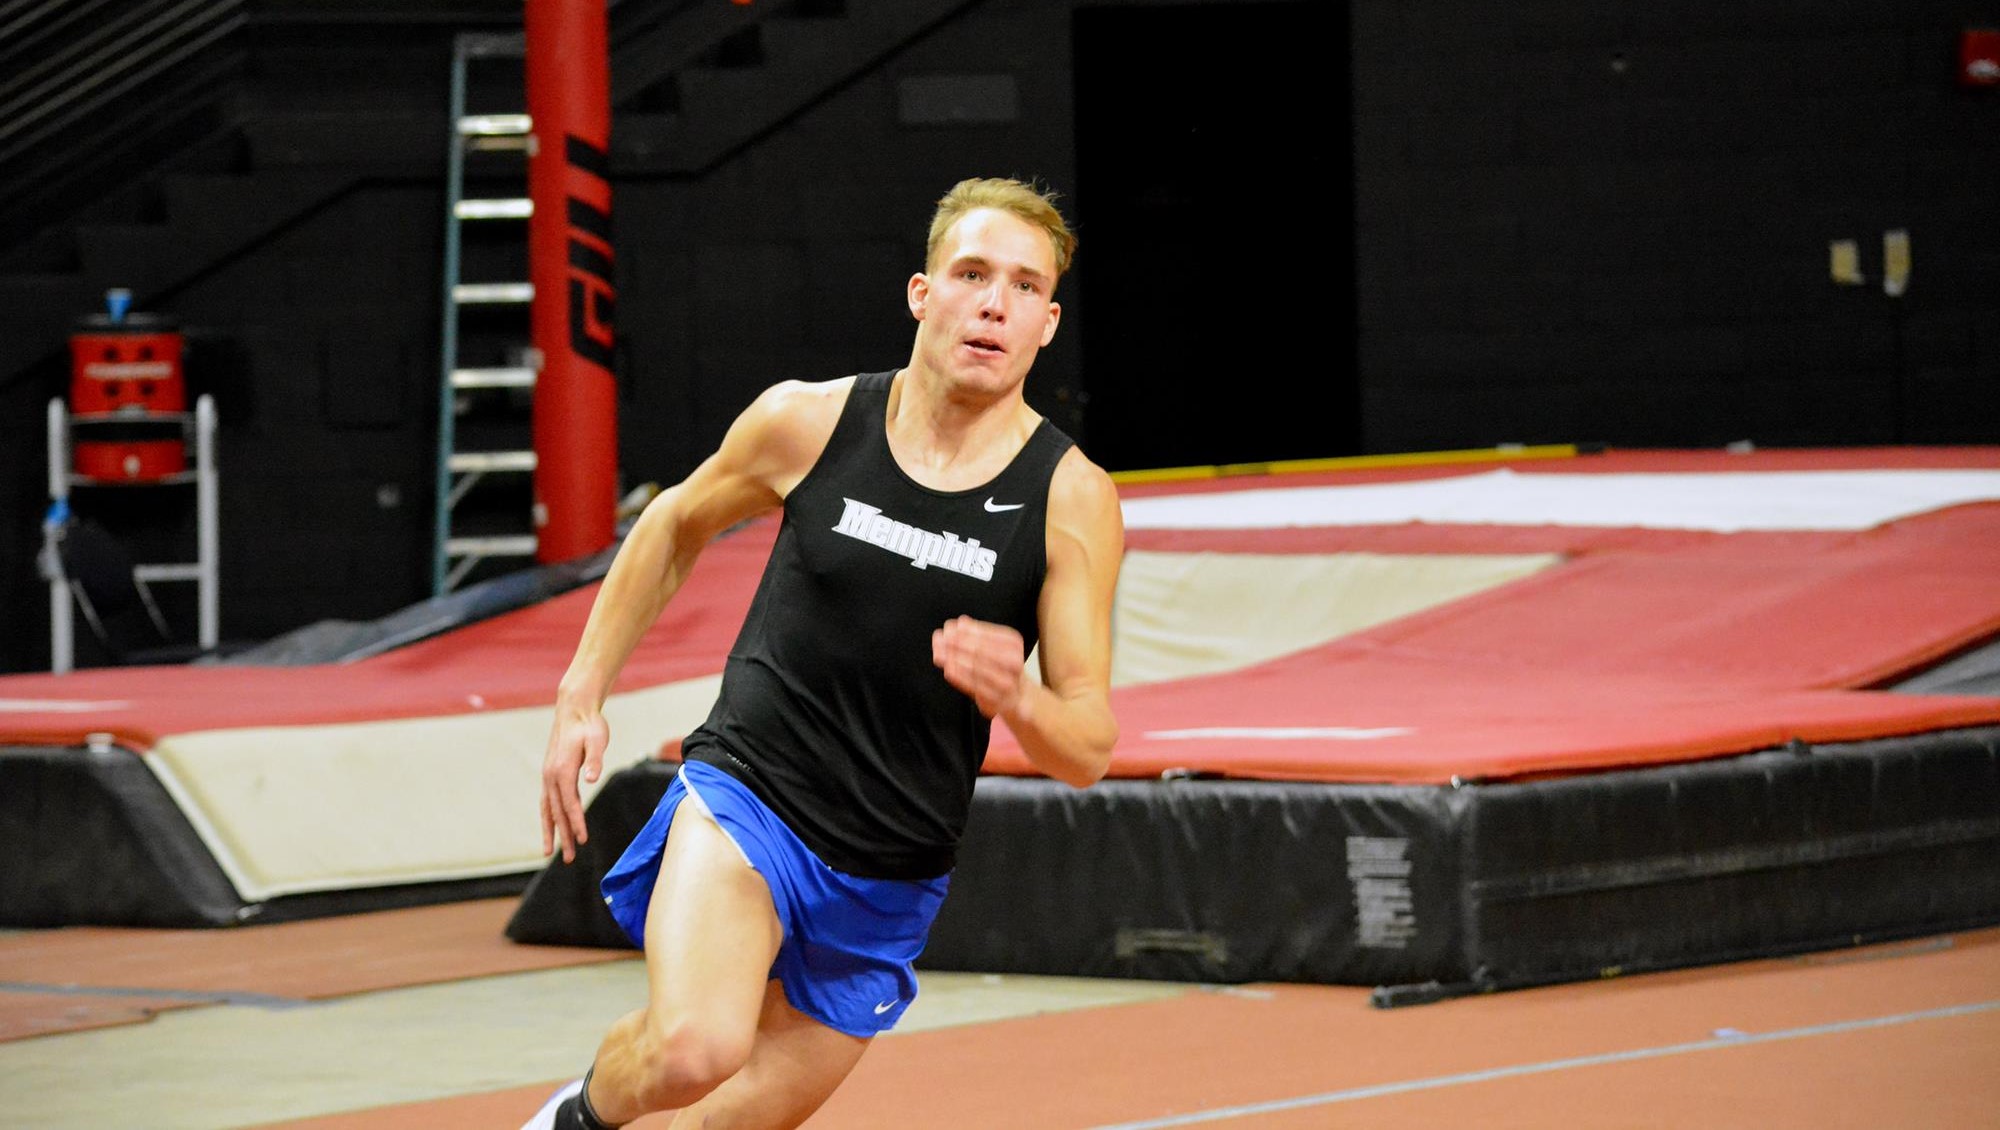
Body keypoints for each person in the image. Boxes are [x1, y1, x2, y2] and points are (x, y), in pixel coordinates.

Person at [523, 176, 1124, 1130]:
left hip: (890, 867)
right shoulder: (808, 421)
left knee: (723, 1122)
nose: (993, 304)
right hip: (753, 794)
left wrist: (1018, 695)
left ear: (1046, 324)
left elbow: (1087, 749)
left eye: (1023, 286)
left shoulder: (1071, 498)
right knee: (694, 1048)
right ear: (922, 293)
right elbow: (673, 523)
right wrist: (581, 692)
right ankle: (573, 1119)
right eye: (972, 274)